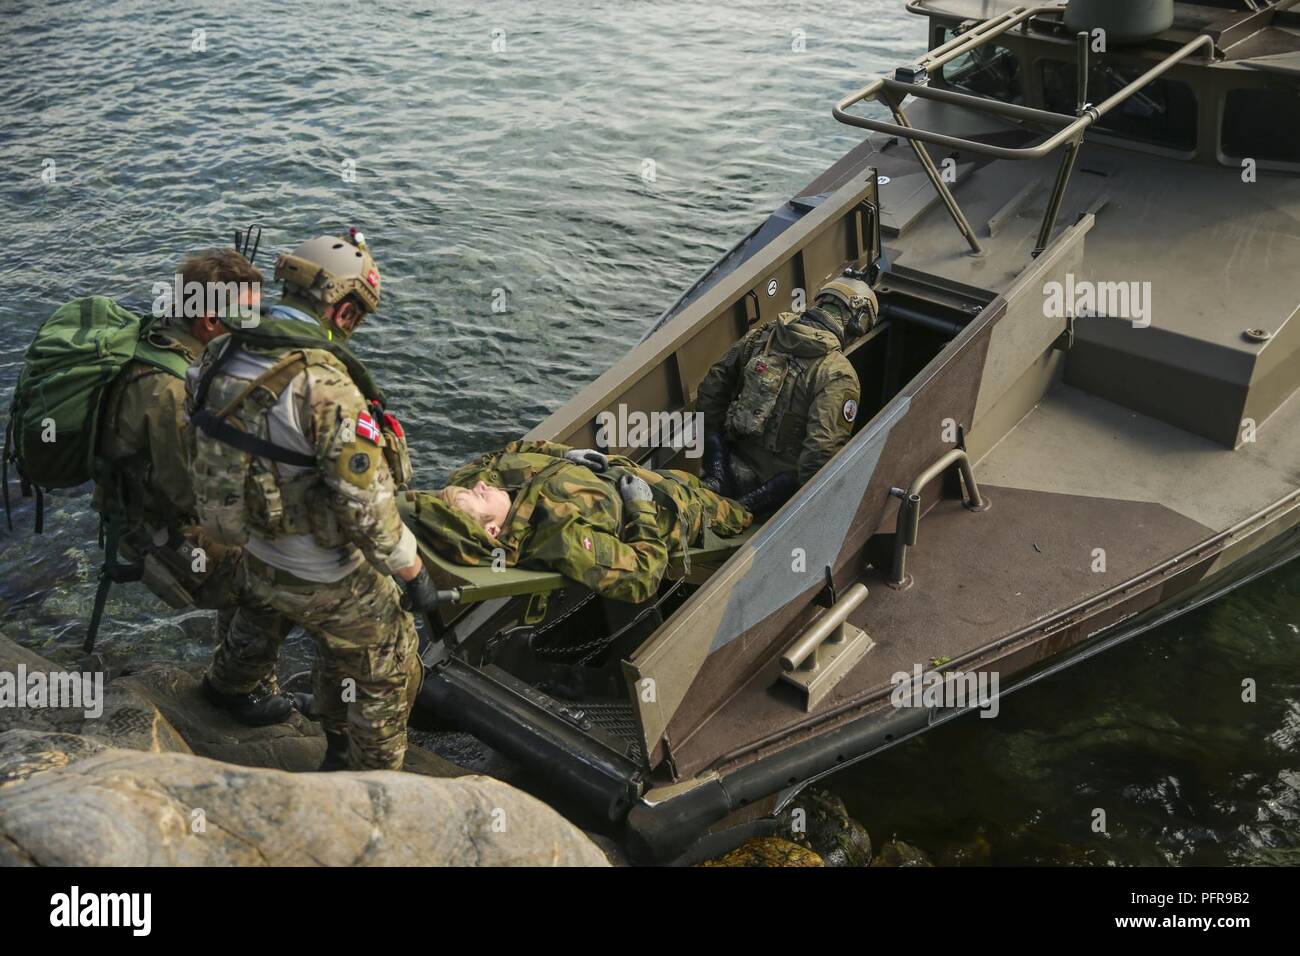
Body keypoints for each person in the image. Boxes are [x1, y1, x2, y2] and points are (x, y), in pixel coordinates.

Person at [186, 230, 434, 772]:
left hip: (252, 554)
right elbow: (366, 508)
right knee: (386, 652)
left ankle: (229, 686)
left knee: (268, 605)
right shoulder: (326, 386)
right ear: (343, 311)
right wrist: (413, 574)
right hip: (318, 572)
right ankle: (364, 771)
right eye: (357, 317)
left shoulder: (220, 351)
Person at [94, 247, 298, 726]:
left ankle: (245, 668)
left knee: (267, 544)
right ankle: (231, 688)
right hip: (160, 535)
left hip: (149, 510)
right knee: (290, 576)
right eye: (244, 318)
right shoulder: (172, 389)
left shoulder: (165, 343)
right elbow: (196, 496)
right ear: (209, 320)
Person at [419, 440, 751, 604]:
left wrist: (564, 454)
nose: (480, 486)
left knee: (684, 478)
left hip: (633, 475)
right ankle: (749, 501)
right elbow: (642, 578)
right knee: (733, 514)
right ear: (493, 530)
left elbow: (513, 449)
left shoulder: (483, 479)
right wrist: (641, 509)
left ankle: (715, 481)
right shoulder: (558, 536)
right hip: (674, 512)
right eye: (478, 496)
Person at [695, 274, 879, 515]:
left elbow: (712, 388)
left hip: (726, 467)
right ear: (858, 323)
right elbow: (821, 450)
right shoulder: (837, 374)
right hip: (773, 493)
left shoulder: (764, 335)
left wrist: (716, 456)